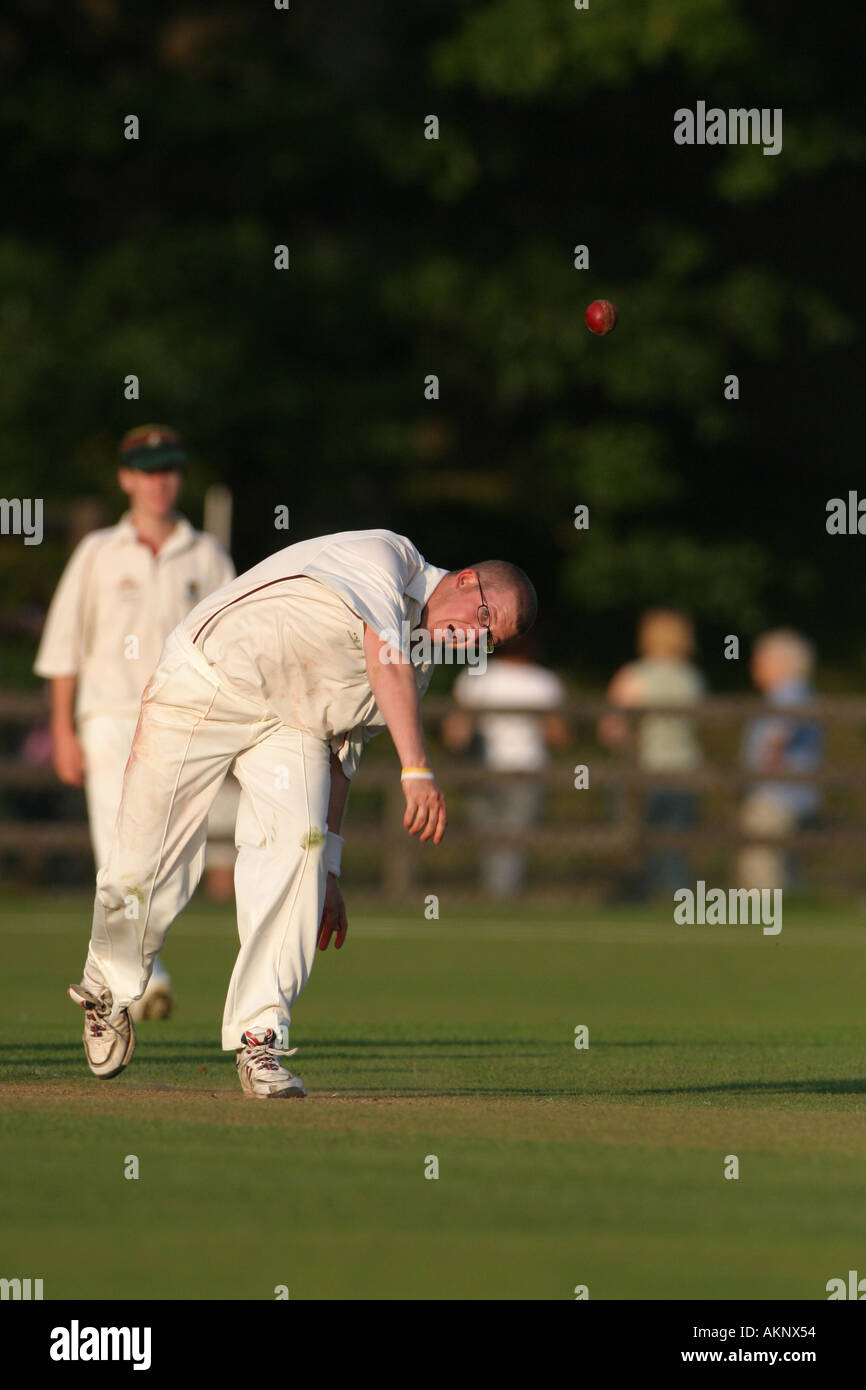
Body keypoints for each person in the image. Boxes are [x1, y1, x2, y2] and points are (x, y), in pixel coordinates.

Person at [66, 534, 536, 1098]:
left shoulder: (422, 667)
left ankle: (259, 1038)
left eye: (490, 637)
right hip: (208, 679)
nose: (475, 636)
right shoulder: (387, 558)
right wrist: (417, 769)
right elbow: (381, 654)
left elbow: (342, 757)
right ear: (464, 579)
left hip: (291, 728)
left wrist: (329, 871)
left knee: (299, 851)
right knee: (145, 863)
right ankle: (106, 990)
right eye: (484, 615)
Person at [35, 425, 235, 1018]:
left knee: (173, 853)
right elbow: (63, 646)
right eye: (147, 469)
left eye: (170, 468)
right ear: (126, 477)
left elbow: (231, 645)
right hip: (109, 718)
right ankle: (137, 978)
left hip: (182, 721)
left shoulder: (207, 554)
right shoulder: (98, 551)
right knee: (117, 853)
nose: (160, 480)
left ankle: (134, 962)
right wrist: (64, 730)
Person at [442, 632, 567, 896]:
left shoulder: (477, 676)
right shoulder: (544, 681)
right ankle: (503, 894)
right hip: (528, 767)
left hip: (484, 767)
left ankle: (497, 894)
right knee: (515, 836)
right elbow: (558, 736)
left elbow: (455, 732)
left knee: (488, 835)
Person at [598, 609, 705, 896]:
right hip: (685, 768)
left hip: (643, 770)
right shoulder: (692, 679)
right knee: (674, 843)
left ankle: (636, 896)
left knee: (634, 841)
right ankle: (676, 897)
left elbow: (612, 728)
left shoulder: (634, 676)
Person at [738, 629, 822, 890]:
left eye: (761, 660)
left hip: (776, 792)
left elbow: (777, 735)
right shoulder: (801, 692)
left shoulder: (787, 693)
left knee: (760, 857)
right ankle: (787, 907)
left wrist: (763, 770)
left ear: (780, 663)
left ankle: (761, 910)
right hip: (790, 791)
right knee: (782, 860)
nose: (755, 667)